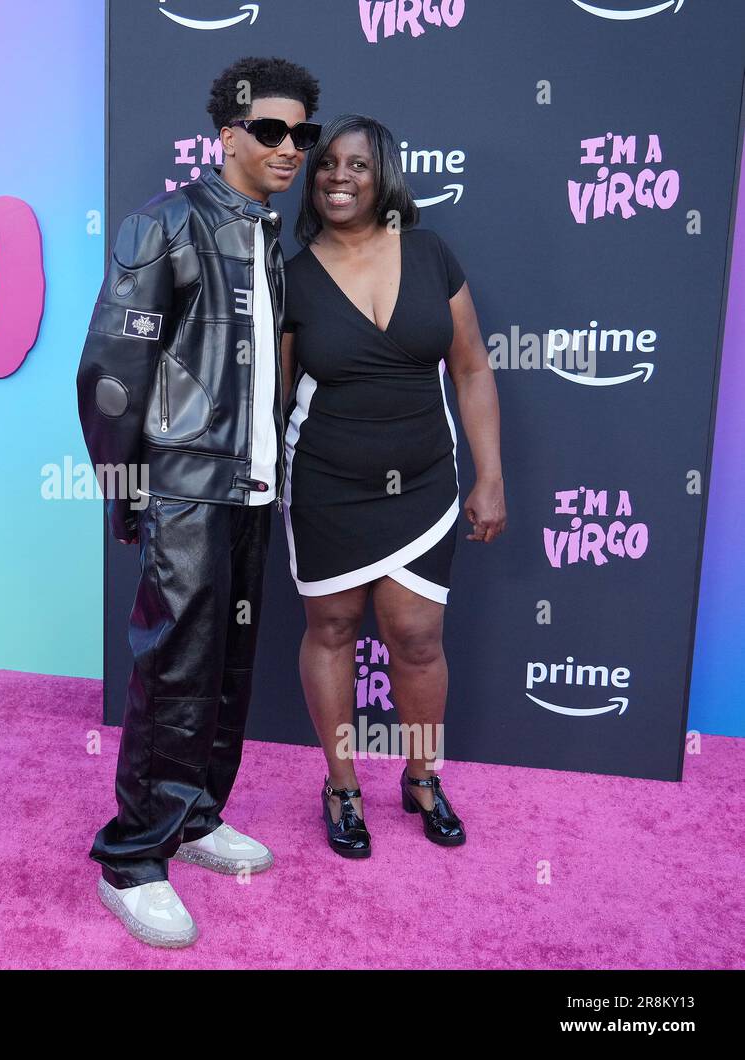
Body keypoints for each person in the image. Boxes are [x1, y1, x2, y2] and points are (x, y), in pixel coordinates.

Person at [75, 56, 320, 946]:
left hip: (252, 487)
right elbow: (110, 378)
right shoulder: (164, 226)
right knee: (175, 667)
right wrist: (126, 485)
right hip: (184, 485)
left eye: (304, 134)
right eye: (271, 131)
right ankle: (134, 858)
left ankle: (197, 816)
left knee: (229, 664)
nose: (291, 148)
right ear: (227, 135)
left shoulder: (267, 240)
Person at [279, 114, 506, 859]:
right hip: (326, 486)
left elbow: (471, 367)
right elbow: (277, 399)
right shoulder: (293, 272)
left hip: (424, 485)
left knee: (415, 637)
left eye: (358, 166)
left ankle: (423, 776)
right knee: (334, 630)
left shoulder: (432, 253)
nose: (338, 177)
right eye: (326, 166)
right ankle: (342, 783)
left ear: (385, 179)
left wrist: (489, 476)